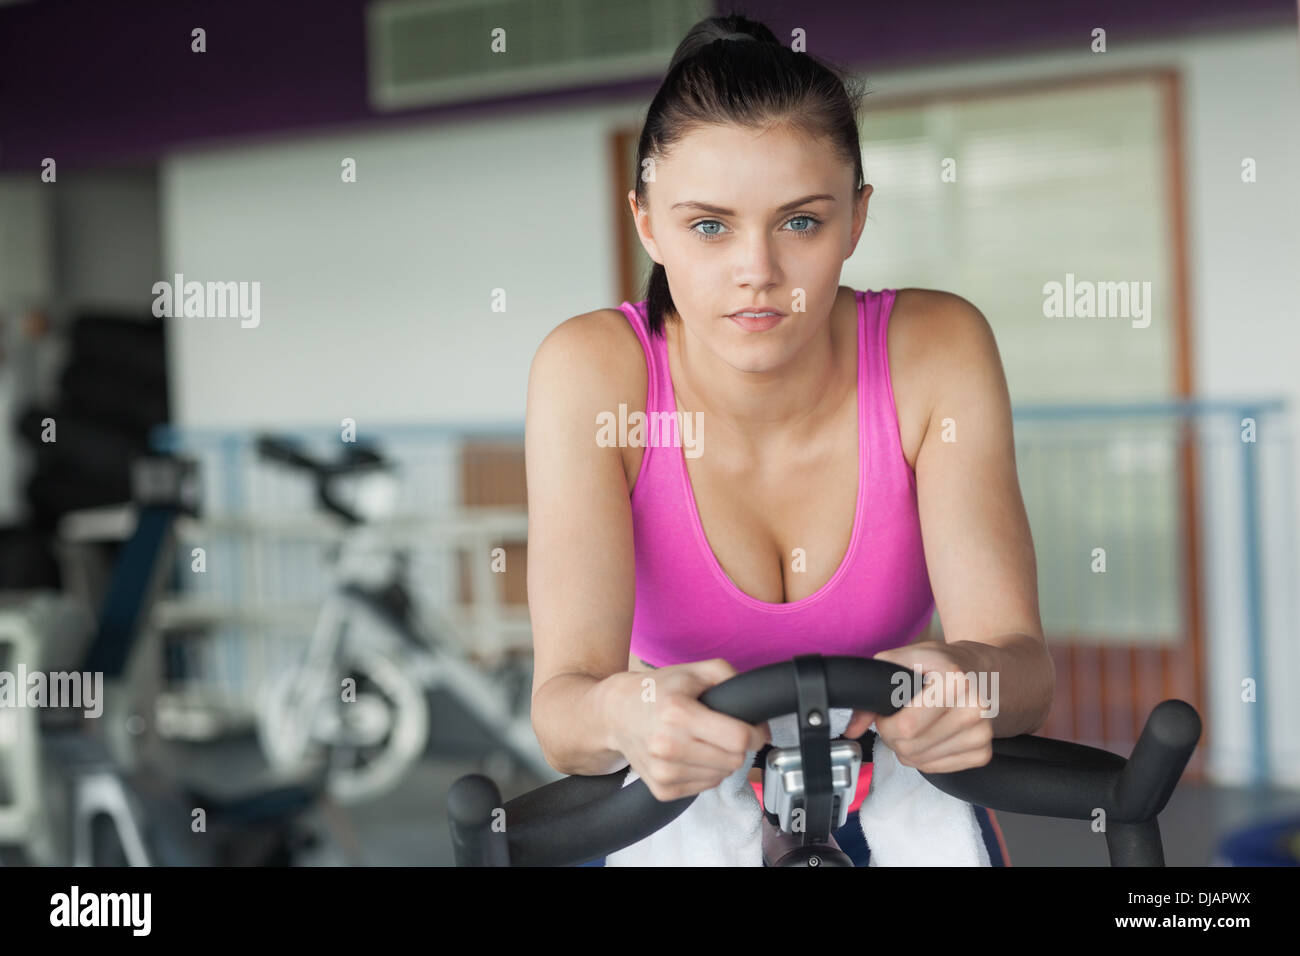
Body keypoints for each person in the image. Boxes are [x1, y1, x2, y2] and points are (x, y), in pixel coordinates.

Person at [525, 13, 1048, 866]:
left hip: (897, 771)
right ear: (647, 224)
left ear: (856, 218)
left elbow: (1024, 673)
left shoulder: (936, 348)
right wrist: (627, 714)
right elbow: (563, 712)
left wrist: (969, 682)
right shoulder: (592, 372)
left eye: (801, 221)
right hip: (685, 787)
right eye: (708, 226)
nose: (757, 270)